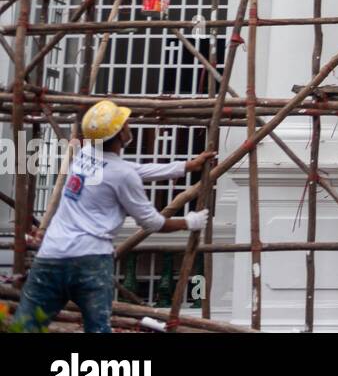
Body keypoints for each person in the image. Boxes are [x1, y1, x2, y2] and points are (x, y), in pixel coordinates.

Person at [12, 100, 214, 332]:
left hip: (51, 255)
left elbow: (129, 170)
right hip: (90, 261)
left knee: (27, 326)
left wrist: (185, 166)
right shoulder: (122, 174)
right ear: (120, 134)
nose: (130, 127)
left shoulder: (84, 154)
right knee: (98, 328)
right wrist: (190, 221)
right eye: (126, 124)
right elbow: (152, 222)